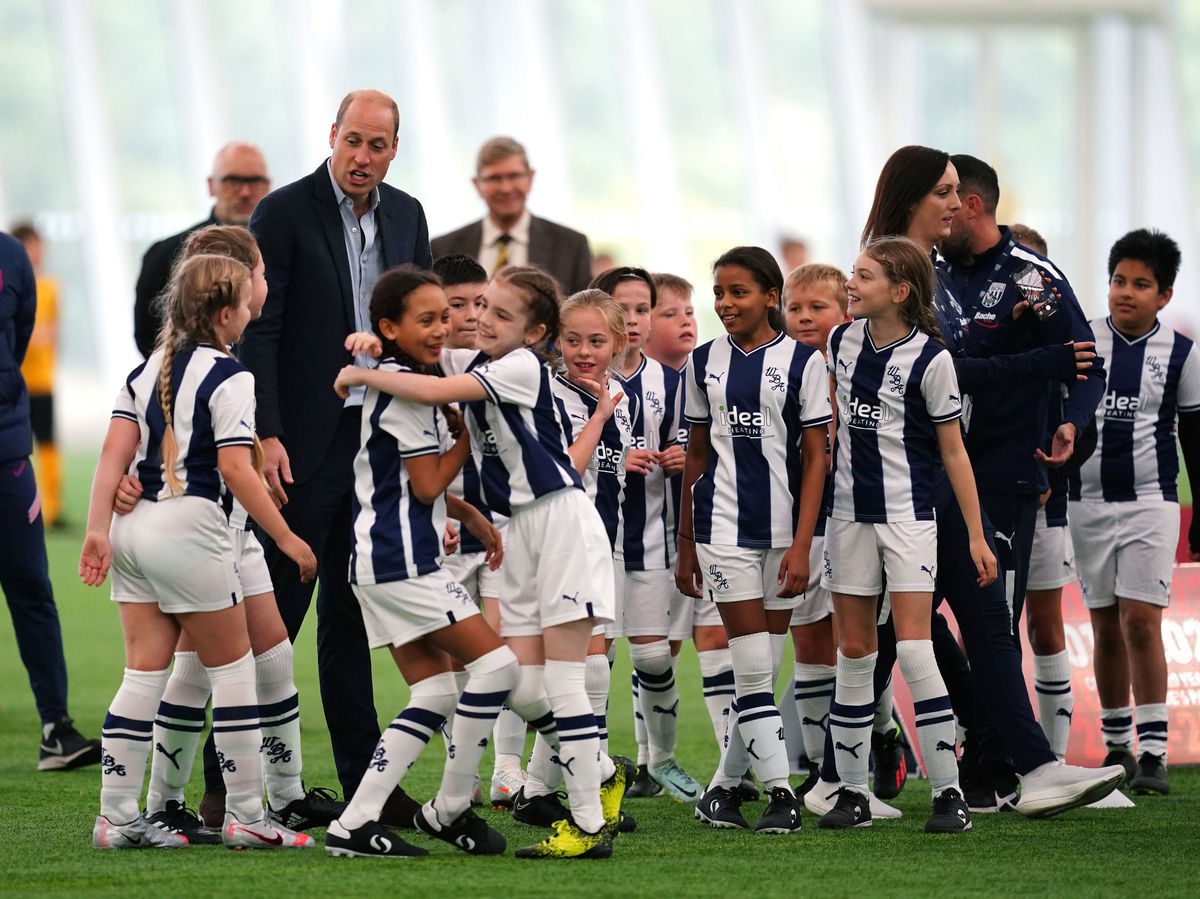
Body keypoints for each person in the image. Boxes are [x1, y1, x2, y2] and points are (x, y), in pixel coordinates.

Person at [805, 145, 1123, 822]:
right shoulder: (892, 278)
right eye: (945, 192)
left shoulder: (932, 274)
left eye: (958, 191)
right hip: (900, 490)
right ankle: (991, 769)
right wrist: (1047, 359)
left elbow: (946, 375)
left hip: (937, 484)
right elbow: (940, 376)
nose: (959, 203)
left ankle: (999, 768)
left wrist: (1059, 402)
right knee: (908, 633)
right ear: (916, 197)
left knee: (944, 627)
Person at [334, 265, 633, 860]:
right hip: (516, 531)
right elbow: (413, 364)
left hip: (561, 520)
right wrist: (372, 346)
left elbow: (430, 390)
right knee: (512, 679)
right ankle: (578, 773)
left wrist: (362, 370)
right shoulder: (469, 361)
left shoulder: (520, 366)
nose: (477, 319)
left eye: (498, 313)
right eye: (473, 308)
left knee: (564, 679)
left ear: (534, 332)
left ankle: (586, 821)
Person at [112, 226, 345, 844]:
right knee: (217, 669)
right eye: (260, 274)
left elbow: (126, 453)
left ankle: (281, 791)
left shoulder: (157, 369)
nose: (266, 286)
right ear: (234, 295)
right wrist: (290, 537)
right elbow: (230, 467)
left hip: (209, 533)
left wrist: (108, 510)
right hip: (208, 532)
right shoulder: (221, 369)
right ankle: (205, 806)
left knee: (269, 656)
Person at [238, 89, 432, 825]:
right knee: (278, 612)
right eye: (353, 140)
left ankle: (364, 788)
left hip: (379, 445)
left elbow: (419, 326)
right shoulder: (283, 212)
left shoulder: (408, 214)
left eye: (378, 145)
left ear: (393, 149)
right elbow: (261, 328)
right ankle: (241, 786)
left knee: (353, 619)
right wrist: (269, 431)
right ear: (333, 136)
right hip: (301, 446)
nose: (363, 157)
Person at [324, 265, 518, 858]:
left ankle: (354, 821)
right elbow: (428, 484)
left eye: (446, 316)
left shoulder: (394, 377)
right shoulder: (403, 388)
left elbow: (408, 486)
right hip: (402, 563)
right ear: (389, 326)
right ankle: (449, 809)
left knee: (434, 692)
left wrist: (468, 514)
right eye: (426, 319)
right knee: (500, 670)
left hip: (380, 559)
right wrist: (466, 433)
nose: (442, 328)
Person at [819, 237, 995, 834]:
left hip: (909, 519)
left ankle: (949, 794)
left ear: (900, 292)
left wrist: (975, 534)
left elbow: (954, 452)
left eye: (863, 277)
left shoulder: (931, 360)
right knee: (856, 655)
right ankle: (851, 793)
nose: (851, 285)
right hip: (847, 518)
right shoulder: (840, 341)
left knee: (916, 649)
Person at [678, 246, 830, 834]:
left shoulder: (802, 363)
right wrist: (687, 542)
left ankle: (721, 789)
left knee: (761, 667)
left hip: (785, 535)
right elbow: (695, 454)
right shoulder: (704, 361)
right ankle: (781, 794)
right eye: (718, 292)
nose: (725, 304)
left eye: (738, 292)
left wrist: (801, 543)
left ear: (771, 297)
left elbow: (816, 458)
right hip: (722, 531)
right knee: (752, 665)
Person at [1068, 228, 1200, 796]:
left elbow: (1194, 434)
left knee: (1141, 622)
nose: (1126, 292)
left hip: (1151, 503)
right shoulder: (1082, 344)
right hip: (1085, 503)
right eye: (1119, 280)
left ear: (1164, 295)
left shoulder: (1183, 354)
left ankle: (1153, 751)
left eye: (1141, 284)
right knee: (1104, 624)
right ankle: (1115, 742)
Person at [593, 266, 700, 803]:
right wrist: (613, 459)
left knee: (655, 659)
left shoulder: (672, 380)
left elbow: (690, 445)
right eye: (622, 308)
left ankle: (659, 761)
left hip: (651, 541)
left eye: (642, 309)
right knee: (594, 660)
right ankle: (585, 767)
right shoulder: (578, 377)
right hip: (593, 543)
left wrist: (683, 458)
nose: (631, 320)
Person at [1, 230, 101, 773]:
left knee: (32, 588)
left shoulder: (11, 257)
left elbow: (14, 346)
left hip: (7, 452)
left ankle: (56, 730)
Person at [432, 253, 529, 806]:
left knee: (502, 653)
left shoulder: (505, 363)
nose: (472, 315)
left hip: (501, 529)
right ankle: (461, 774)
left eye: (482, 303)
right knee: (451, 666)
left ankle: (508, 769)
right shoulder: (421, 366)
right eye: (458, 304)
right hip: (442, 535)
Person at [546, 287, 636, 831]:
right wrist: (600, 418)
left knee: (589, 666)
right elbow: (566, 471)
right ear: (556, 341)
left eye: (597, 341)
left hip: (606, 543)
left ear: (618, 344)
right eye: (573, 339)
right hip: (563, 544)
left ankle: (541, 786)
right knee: (576, 667)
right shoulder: (553, 395)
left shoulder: (618, 394)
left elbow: (611, 472)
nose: (584, 351)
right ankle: (593, 777)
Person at [645, 273, 739, 774]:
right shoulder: (634, 384)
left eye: (688, 311)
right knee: (657, 652)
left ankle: (732, 763)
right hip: (649, 541)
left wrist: (699, 459)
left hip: (711, 531)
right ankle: (651, 759)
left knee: (717, 639)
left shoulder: (710, 373)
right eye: (669, 313)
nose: (685, 321)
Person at [779, 263, 850, 789]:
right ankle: (815, 767)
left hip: (854, 521)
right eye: (794, 308)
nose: (803, 317)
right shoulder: (780, 368)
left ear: (846, 312)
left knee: (856, 641)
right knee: (808, 643)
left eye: (816, 308)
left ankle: (879, 735)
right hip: (802, 524)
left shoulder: (859, 364)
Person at [1009, 223, 1078, 760]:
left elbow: (1076, 417)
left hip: (1045, 500)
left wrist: (1054, 478)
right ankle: (981, 748)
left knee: (1046, 624)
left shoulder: (1061, 346)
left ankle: (1053, 755)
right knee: (986, 625)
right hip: (988, 496)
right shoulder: (977, 335)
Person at [134, 142, 270, 358]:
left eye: (255, 181)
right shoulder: (166, 255)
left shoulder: (288, 249)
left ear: (269, 186)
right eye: (232, 180)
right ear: (211, 185)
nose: (245, 192)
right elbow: (148, 335)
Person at [432, 136, 593, 294]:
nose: (506, 188)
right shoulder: (443, 249)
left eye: (514, 176)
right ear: (477, 184)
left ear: (530, 178)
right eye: (494, 178)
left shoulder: (570, 246)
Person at [12, 222, 63, 529]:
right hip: (14, 382)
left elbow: (53, 334)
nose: (40, 252)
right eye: (34, 245)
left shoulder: (51, 287)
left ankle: (52, 511)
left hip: (43, 381)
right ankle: (18, 508)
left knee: (47, 443)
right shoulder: (9, 285)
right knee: (14, 449)